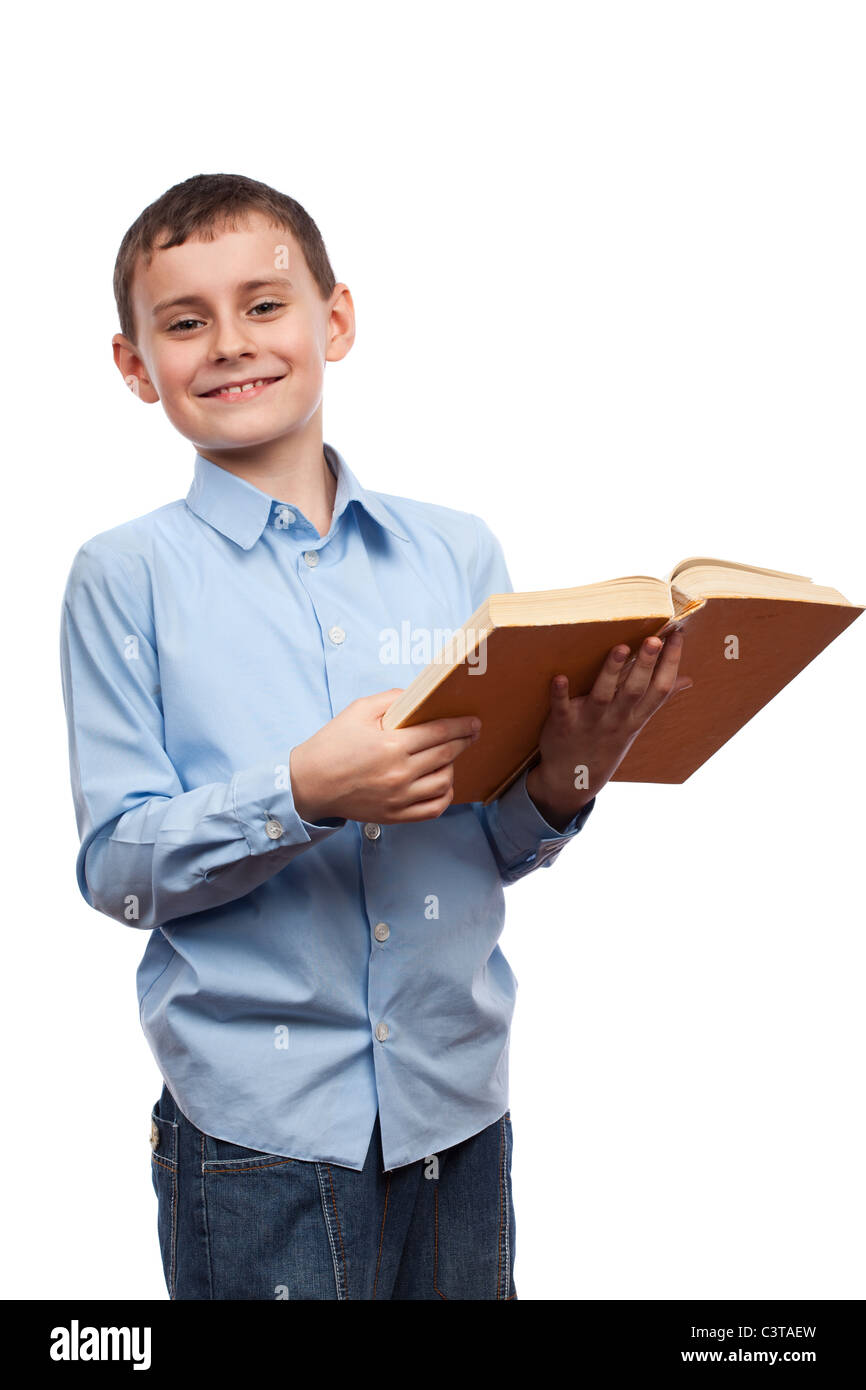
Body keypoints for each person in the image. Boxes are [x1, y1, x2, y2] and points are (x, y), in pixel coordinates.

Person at [59, 172, 691, 1301]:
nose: (230, 344)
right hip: (256, 1138)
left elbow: (494, 843)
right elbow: (117, 871)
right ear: (133, 365)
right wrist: (301, 790)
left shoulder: (456, 556)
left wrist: (572, 766)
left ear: (333, 320)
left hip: (457, 1115)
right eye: (184, 321)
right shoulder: (126, 577)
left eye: (264, 304)